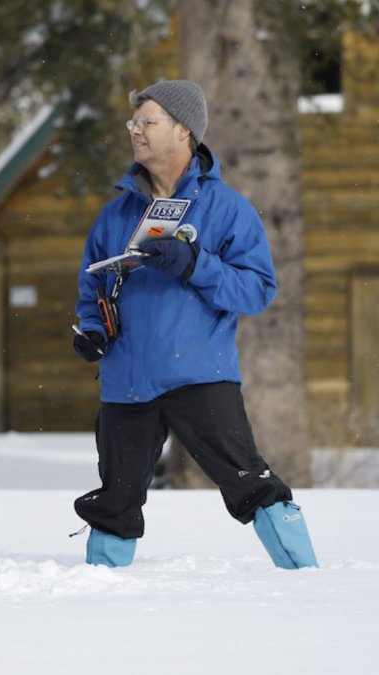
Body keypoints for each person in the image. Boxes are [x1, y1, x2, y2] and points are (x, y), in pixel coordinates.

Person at [71, 80, 317, 570]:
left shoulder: (226, 209)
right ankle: (98, 596)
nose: (135, 131)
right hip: (127, 382)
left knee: (250, 482)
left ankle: (304, 577)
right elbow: (90, 290)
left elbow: (257, 290)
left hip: (198, 374)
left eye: (147, 121)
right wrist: (92, 331)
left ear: (183, 131)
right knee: (116, 499)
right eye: (133, 122)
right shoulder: (115, 213)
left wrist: (192, 263)